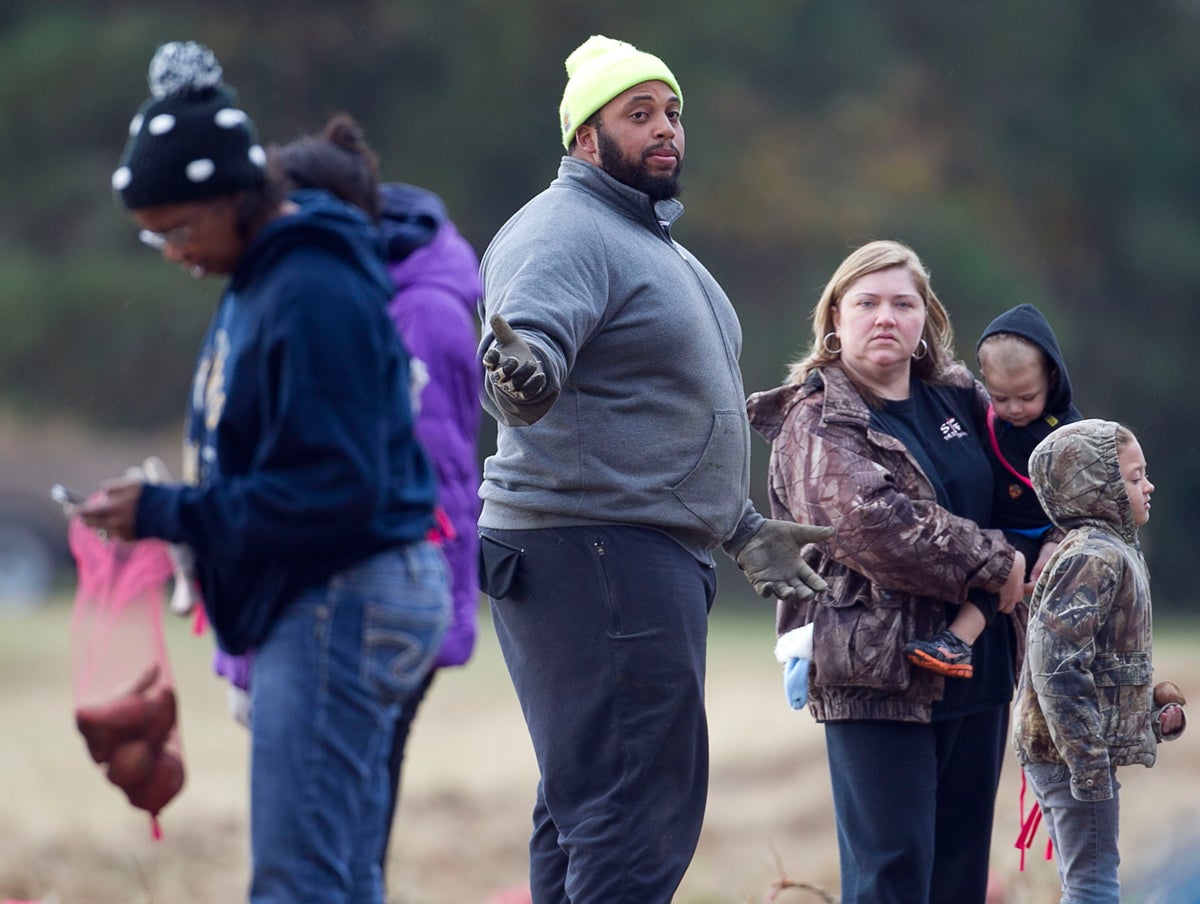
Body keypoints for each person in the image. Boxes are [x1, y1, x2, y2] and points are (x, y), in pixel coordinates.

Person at [80, 42, 449, 904]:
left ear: (237, 197)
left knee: (299, 883)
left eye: (178, 228)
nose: (171, 251)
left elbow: (337, 487)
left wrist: (174, 512)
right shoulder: (266, 278)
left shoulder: (310, 288)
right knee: (340, 876)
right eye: (151, 238)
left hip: (340, 599)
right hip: (340, 597)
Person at [476, 34, 831, 902]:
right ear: (584, 139)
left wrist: (739, 528)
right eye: (639, 115)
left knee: (592, 808)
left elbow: (648, 415)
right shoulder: (565, 229)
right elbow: (526, 359)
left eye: (671, 112)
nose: (666, 129)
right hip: (594, 551)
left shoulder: (653, 244)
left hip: (629, 553)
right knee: (632, 815)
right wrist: (526, 379)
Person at [745, 239, 1027, 904]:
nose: (885, 317)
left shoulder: (960, 399)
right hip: (878, 674)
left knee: (957, 878)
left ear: (926, 318)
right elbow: (875, 529)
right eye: (866, 303)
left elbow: (1024, 479)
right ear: (834, 318)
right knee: (892, 875)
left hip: (979, 667)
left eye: (903, 304)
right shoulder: (815, 418)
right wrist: (1000, 559)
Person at [270, 113, 483, 873]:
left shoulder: (412, 309)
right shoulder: (358, 290)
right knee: (348, 822)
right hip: (362, 583)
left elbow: (411, 471)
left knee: (343, 832)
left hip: (383, 584)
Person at [1013, 419, 1185, 903]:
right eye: (1133, 479)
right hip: (1070, 757)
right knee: (1093, 888)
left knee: (1091, 882)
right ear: (1095, 488)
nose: (1148, 486)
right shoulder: (1093, 557)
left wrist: (1149, 715)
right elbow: (1057, 667)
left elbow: (1101, 668)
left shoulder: (1110, 552)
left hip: (1075, 753)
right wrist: (1088, 766)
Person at [904, 303, 1081, 678]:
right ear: (984, 377)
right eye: (1001, 398)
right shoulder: (980, 413)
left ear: (1052, 377)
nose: (1014, 409)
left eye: (1027, 397)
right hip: (989, 528)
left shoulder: (1071, 433)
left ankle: (955, 643)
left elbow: (1087, 499)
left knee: (999, 575)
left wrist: (1058, 538)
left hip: (1032, 532)